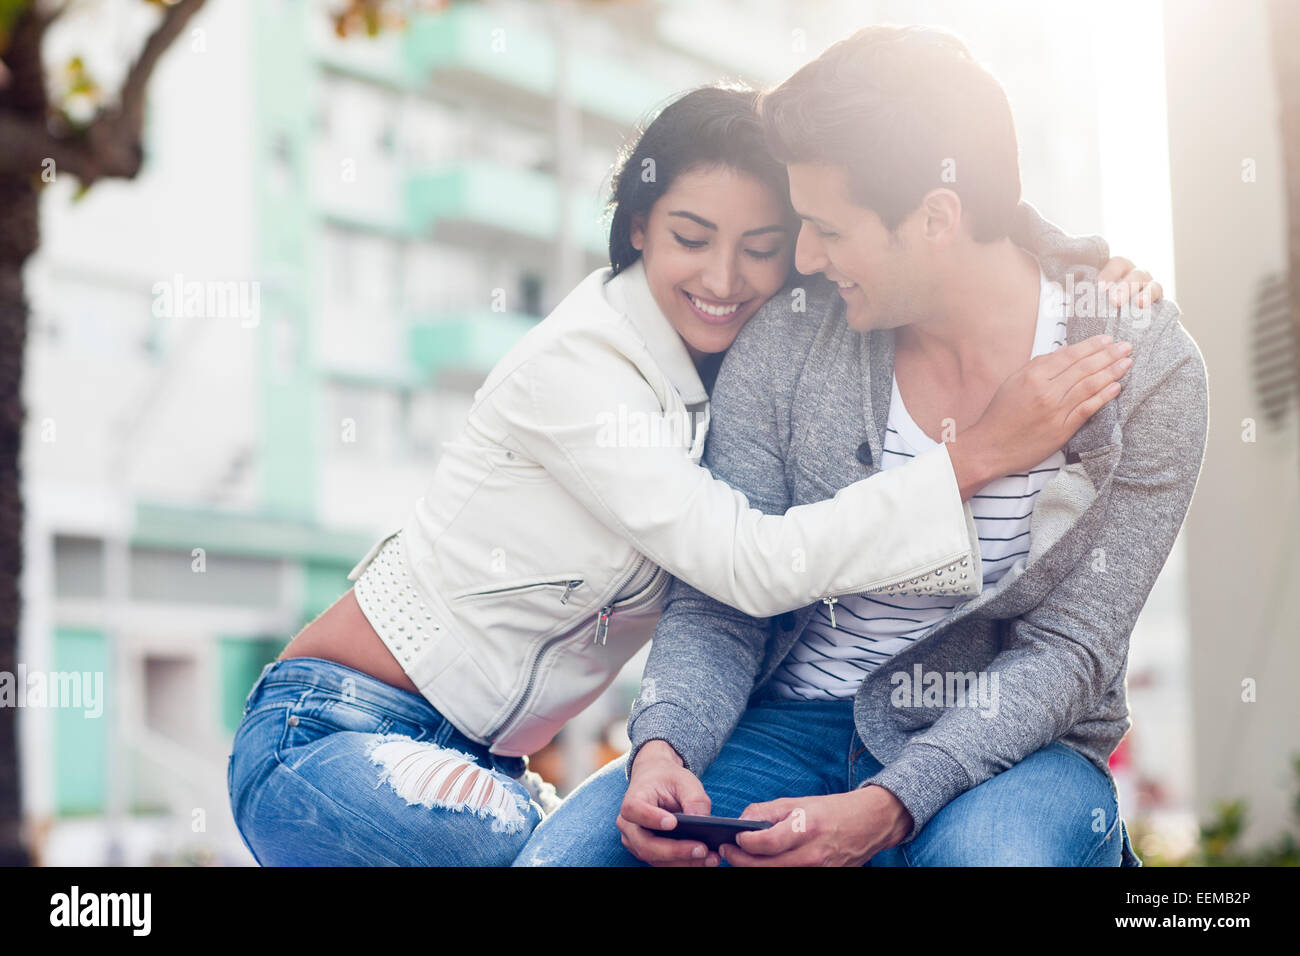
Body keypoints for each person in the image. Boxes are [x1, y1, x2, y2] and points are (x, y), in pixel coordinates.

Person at [227, 84, 1154, 866]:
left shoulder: (753, 353)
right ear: (638, 226)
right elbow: (751, 567)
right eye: (691, 236)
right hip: (330, 732)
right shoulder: (582, 372)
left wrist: (1071, 264)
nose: (724, 277)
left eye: (762, 247)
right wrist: (976, 455)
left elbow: (916, 195)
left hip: (492, 763)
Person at [514, 26, 1204, 868]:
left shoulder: (1148, 371)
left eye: (826, 229)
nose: (803, 258)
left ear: (937, 218)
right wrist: (666, 745)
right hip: (781, 724)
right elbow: (720, 597)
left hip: (1014, 752)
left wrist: (891, 805)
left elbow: (1071, 651)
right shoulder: (790, 338)